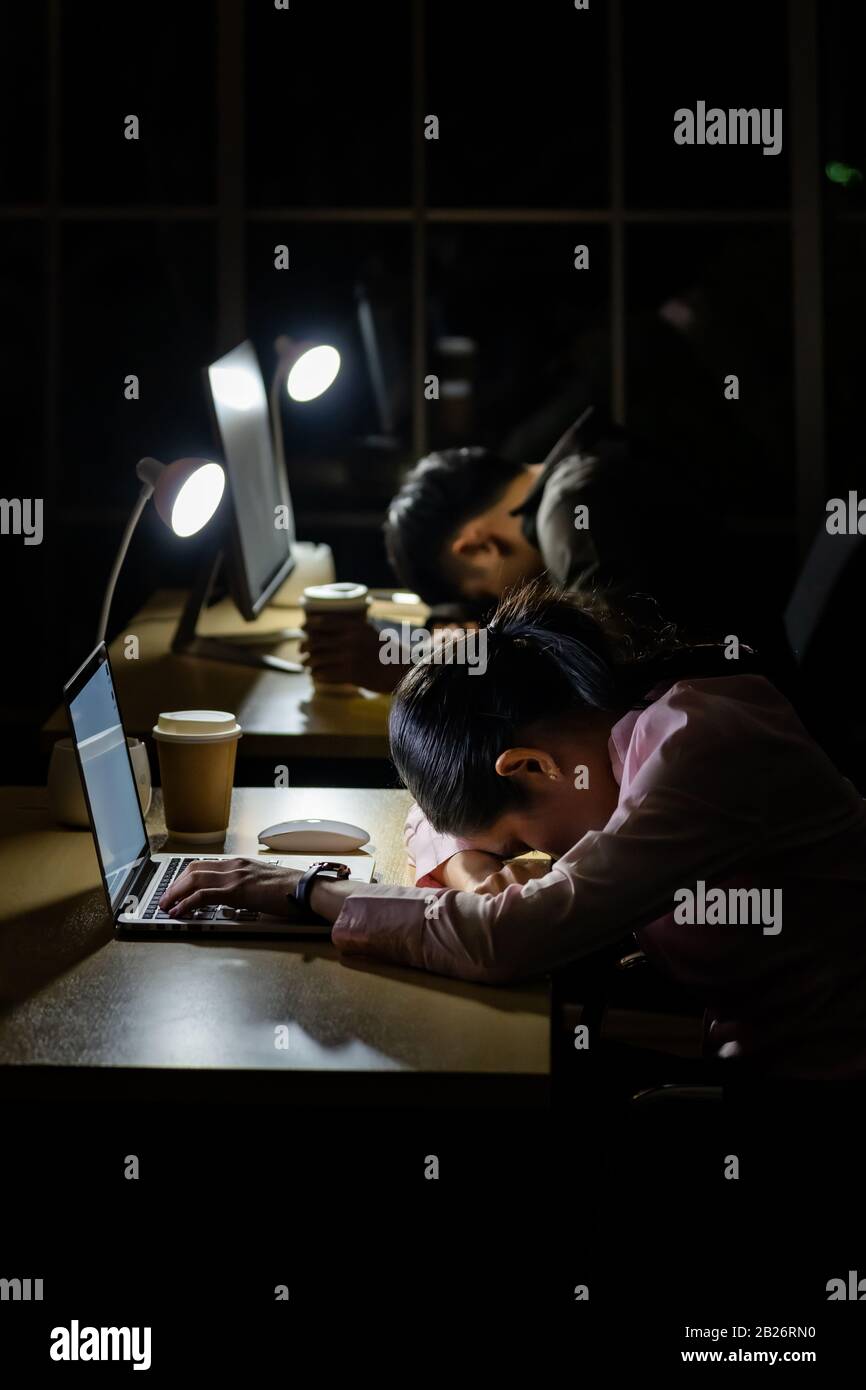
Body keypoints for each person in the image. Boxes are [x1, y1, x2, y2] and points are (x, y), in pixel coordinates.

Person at [163, 583, 866, 1080]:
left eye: (517, 843)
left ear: (529, 765)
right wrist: (475, 871)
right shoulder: (616, 720)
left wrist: (303, 890)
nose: (533, 860)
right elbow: (427, 818)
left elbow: (507, 939)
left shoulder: (696, 751)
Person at [301, 407, 787, 695]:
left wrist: (423, 668)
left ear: (476, 544)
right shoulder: (580, 472)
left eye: (484, 593)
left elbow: (603, 683)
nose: (498, 603)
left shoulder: (571, 510)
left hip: (738, 751)